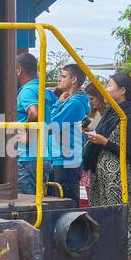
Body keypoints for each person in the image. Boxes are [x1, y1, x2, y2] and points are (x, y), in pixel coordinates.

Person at [83, 71, 131, 260]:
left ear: (123, 90)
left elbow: (129, 151)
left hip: (118, 178)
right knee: (105, 221)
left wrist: (104, 142)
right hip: (103, 176)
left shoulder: (127, 115)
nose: (106, 89)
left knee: (122, 221)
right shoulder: (112, 112)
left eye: (110, 85)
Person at [45, 63, 90, 205]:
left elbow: (51, 125)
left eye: (63, 76)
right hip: (60, 157)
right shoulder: (68, 102)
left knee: (66, 202)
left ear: (74, 80)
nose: (59, 79)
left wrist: (55, 105)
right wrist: (58, 103)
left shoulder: (75, 103)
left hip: (66, 159)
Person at [14, 51, 52, 197]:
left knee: (27, 203)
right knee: (37, 202)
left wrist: (28, 138)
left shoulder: (27, 91)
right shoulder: (45, 91)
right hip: (43, 156)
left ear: (19, 70)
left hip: (27, 158)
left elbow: (34, 113)